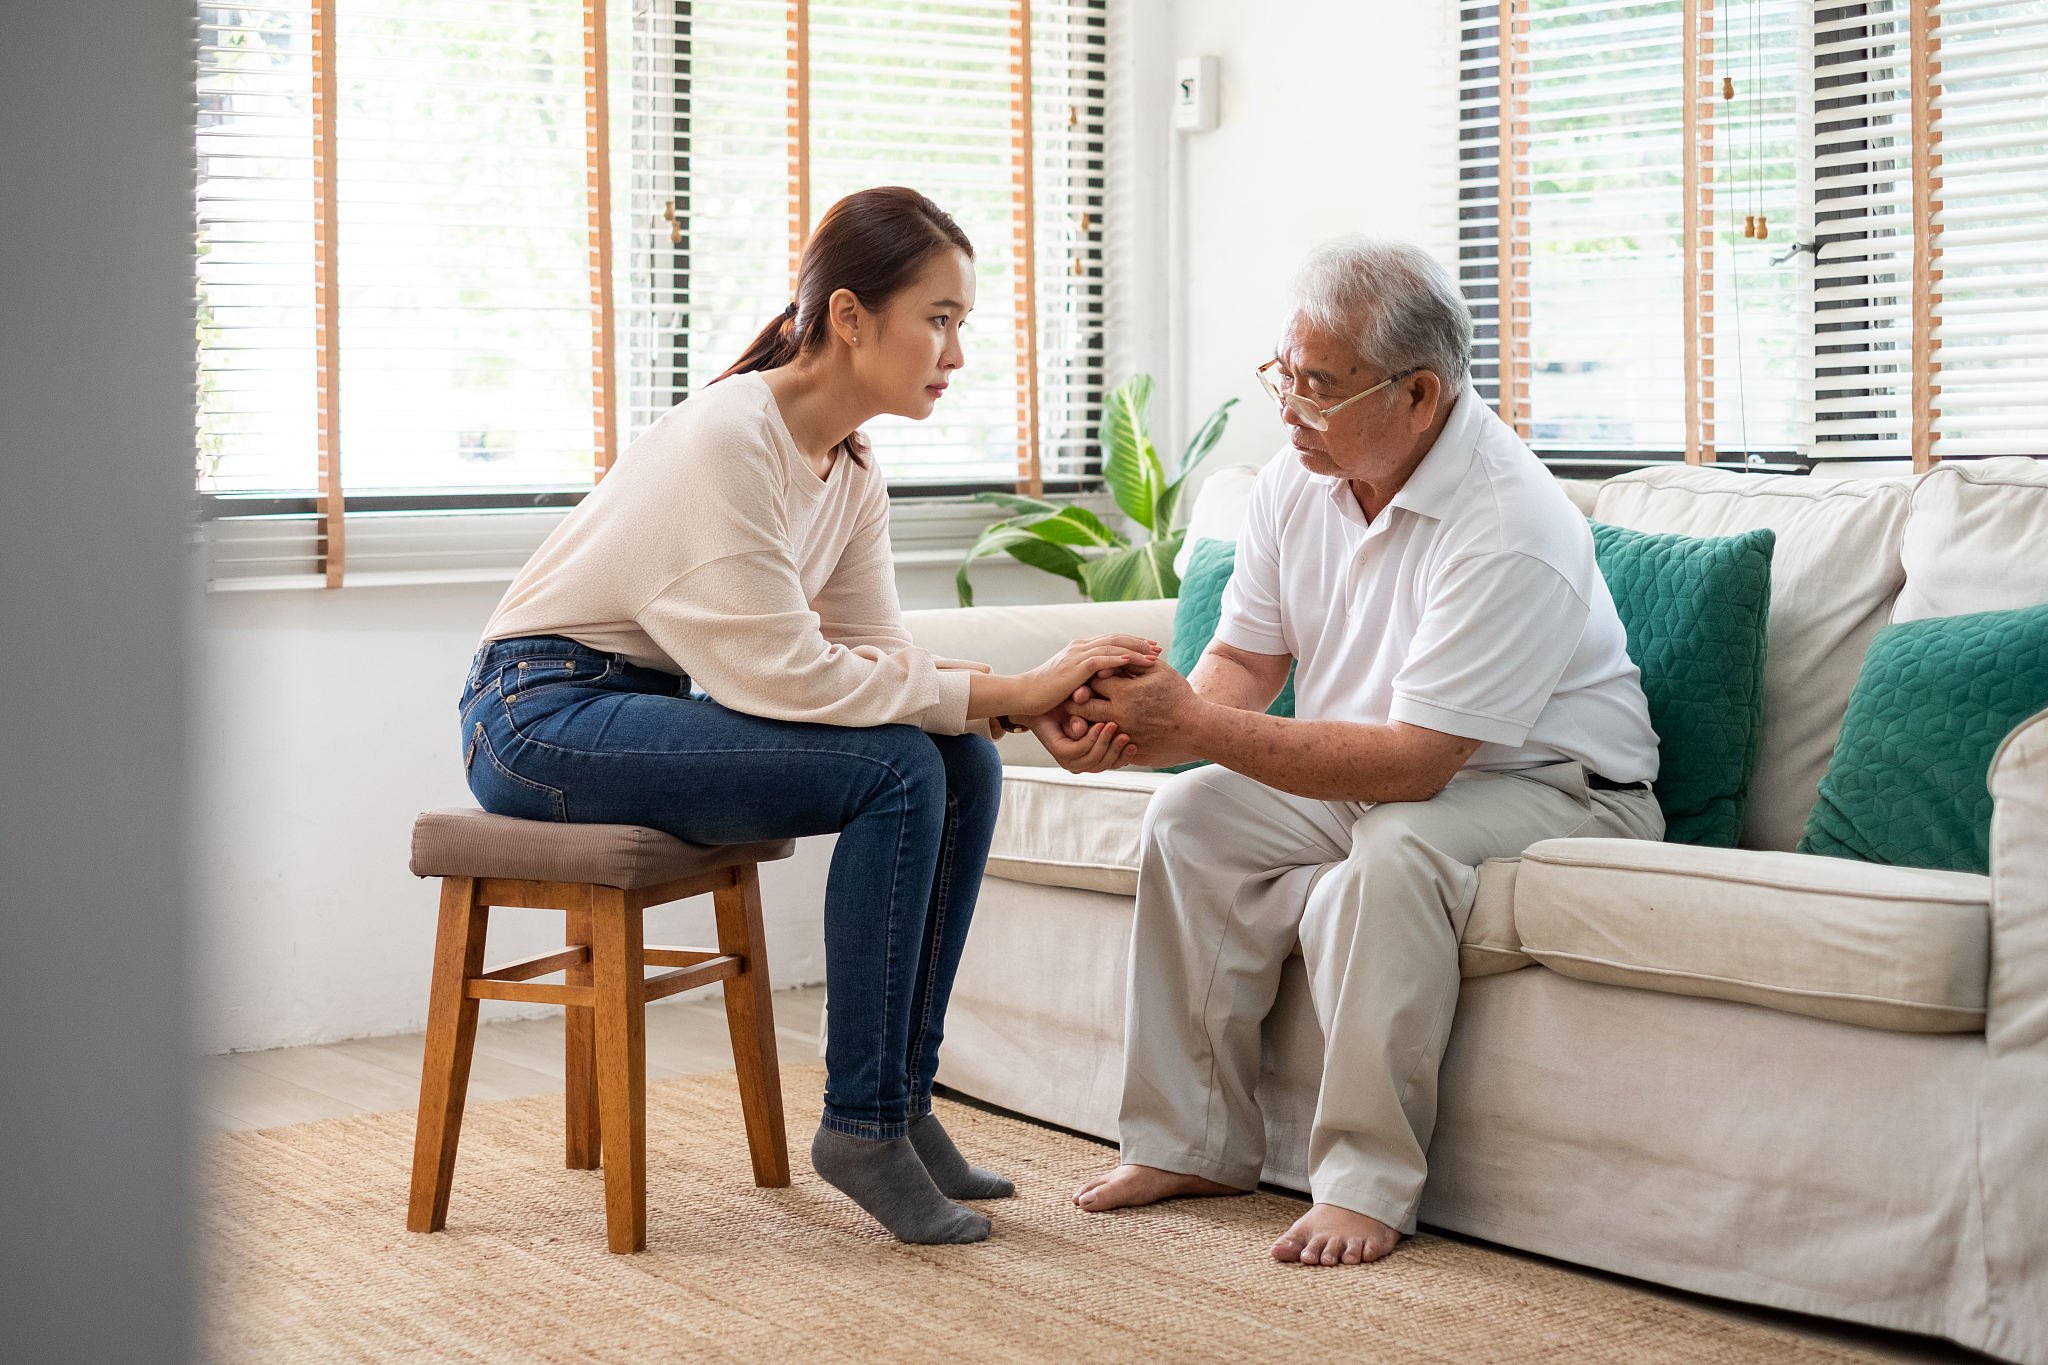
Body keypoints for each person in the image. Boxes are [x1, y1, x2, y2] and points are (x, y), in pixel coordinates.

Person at [461, 186, 1157, 1246]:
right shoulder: (730, 438)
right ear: (848, 316)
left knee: (956, 762)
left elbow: (874, 660)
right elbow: (786, 677)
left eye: (961, 324)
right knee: (896, 769)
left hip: (642, 706)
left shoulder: (852, 467)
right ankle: (860, 1126)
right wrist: (1008, 692)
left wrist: (1020, 708)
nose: (955, 354)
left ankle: (900, 1104)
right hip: (536, 716)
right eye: (938, 318)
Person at [1034, 236, 1663, 1266]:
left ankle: (1366, 1184)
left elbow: (1417, 766)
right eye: (1284, 373)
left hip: (1560, 786)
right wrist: (1144, 728)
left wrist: (1193, 728)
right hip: (1370, 767)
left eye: (1319, 386)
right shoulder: (1298, 477)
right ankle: (1188, 1143)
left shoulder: (1509, 521)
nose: (1289, 408)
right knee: (1189, 817)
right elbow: (1246, 658)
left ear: (1418, 395)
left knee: (1395, 851)